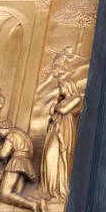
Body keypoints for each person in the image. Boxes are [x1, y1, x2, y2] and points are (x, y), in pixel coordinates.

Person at [40, 73, 85, 201]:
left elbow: (64, 110)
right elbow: (51, 112)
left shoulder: (76, 98)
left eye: (61, 87)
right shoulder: (62, 101)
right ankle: (49, 189)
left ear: (68, 86)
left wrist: (58, 106)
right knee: (49, 155)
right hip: (55, 127)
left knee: (60, 155)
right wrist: (56, 101)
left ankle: (59, 188)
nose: (60, 90)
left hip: (65, 128)